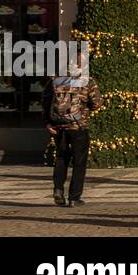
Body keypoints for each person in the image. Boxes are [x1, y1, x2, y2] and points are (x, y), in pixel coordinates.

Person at [42, 49, 102, 207]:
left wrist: (48, 123)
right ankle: (74, 197)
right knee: (79, 162)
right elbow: (96, 103)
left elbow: (45, 101)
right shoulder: (88, 81)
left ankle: (58, 190)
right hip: (78, 126)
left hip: (58, 126)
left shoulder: (55, 78)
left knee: (61, 158)